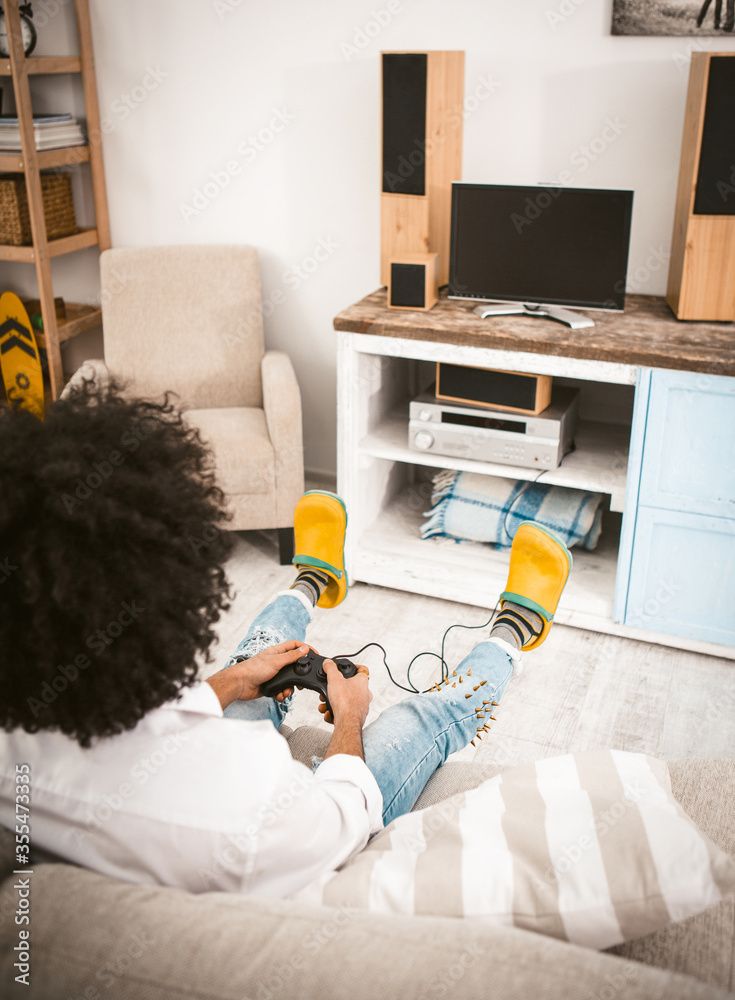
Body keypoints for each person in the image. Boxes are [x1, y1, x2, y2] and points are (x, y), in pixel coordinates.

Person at [0, 377, 571, 898]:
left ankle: (313, 581)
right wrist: (348, 718)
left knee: (257, 665)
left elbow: (142, 723)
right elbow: (341, 810)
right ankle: (513, 631)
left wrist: (221, 685)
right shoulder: (247, 793)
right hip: (289, 821)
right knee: (425, 718)